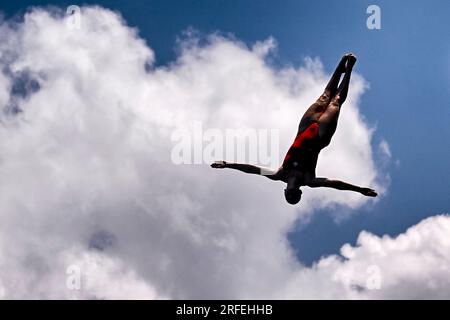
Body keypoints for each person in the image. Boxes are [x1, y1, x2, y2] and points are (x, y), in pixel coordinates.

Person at [211, 53, 377, 205]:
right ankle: (349, 70)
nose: (291, 189)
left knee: (324, 97)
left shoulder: (279, 174)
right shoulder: (309, 180)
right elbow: (335, 184)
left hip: (304, 128)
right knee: (336, 101)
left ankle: (342, 64)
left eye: (288, 193)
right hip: (320, 135)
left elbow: (251, 169)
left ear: (285, 190)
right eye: (294, 193)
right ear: (298, 192)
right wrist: (359, 190)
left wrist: (227, 164)